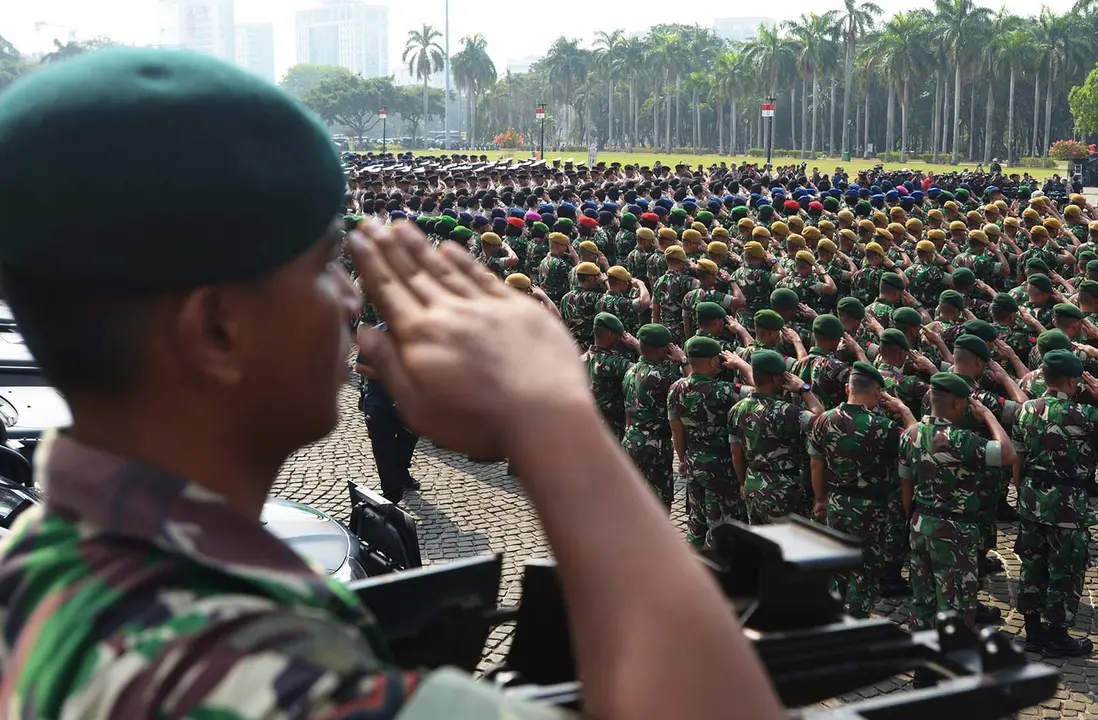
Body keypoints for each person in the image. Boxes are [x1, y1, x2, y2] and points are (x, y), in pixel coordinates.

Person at [0, 48, 785, 720]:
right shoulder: (288, 686)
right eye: (324, 268)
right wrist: (555, 419)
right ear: (217, 330)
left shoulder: (39, 566)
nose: (352, 299)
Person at [1013, 350, 1098, 657]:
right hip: (1067, 501)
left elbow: (1018, 456)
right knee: (1065, 567)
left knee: (1032, 563)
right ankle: (1057, 636)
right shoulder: (1082, 414)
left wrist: (1022, 488)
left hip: (1031, 495)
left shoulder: (1026, 409)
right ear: (1073, 381)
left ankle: (1032, 633)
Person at [898, 372, 1016, 631]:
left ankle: (922, 654)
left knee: (922, 600)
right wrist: (989, 416)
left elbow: (905, 482)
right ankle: (953, 654)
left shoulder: (910, 435)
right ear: (957, 403)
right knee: (957, 606)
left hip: (920, 523)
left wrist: (912, 516)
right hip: (954, 530)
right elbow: (1007, 454)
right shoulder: (960, 439)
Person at [809, 362, 915, 617]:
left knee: (837, 565)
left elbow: (816, 463)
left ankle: (832, 616)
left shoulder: (823, 420)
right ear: (878, 393)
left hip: (836, 502)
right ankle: (855, 622)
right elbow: (918, 441)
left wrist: (820, 499)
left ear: (847, 388)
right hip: (871, 509)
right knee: (864, 573)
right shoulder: (884, 427)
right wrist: (904, 410)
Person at [668, 337, 755, 547]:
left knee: (696, 521)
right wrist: (742, 365)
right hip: (722, 466)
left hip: (694, 460)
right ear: (710, 360)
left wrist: (682, 459)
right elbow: (760, 392)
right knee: (723, 525)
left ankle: (695, 558)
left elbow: (677, 430)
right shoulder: (725, 391)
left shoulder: (676, 388)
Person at [729, 351, 824, 523]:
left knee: (759, 538)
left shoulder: (736, 410)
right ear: (776, 379)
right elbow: (820, 420)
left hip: (752, 483)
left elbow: (736, 452)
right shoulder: (785, 411)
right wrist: (804, 389)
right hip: (782, 489)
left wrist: (743, 482)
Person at [355, 322, 421, 503]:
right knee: (383, 447)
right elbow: (359, 367)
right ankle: (392, 491)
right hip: (380, 401)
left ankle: (401, 471)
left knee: (409, 437)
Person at [622, 324, 686, 510]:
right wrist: (683, 360)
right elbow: (693, 389)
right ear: (661, 349)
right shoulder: (661, 376)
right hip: (654, 447)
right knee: (658, 503)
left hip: (631, 440)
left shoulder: (630, 371)